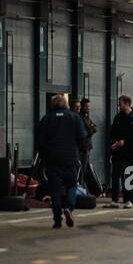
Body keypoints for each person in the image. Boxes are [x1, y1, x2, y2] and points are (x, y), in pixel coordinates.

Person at [36, 94, 87, 229]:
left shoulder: (47, 119)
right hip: (70, 158)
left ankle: (57, 219)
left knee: (55, 191)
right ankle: (69, 207)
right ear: (66, 104)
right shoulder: (75, 117)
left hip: (53, 160)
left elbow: (40, 141)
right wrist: (80, 152)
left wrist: (44, 157)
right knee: (72, 185)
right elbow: (83, 137)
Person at [108, 94, 133, 206]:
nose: (119, 106)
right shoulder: (118, 117)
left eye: (120, 104)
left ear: (127, 104)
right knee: (115, 175)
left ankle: (129, 199)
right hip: (118, 151)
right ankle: (114, 199)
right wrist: (114, 143)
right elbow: (113, 132)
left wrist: (125, 141)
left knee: (129, 174)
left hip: (130, 151)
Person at [77, 97, 101, 197]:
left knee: (84, 168)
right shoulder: (81, 117)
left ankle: (82, 188)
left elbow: (94, 127)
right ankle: (81, 189)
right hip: (83, 147)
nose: (88, 108)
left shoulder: (86, 117)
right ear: (82, 106)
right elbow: (89, 130)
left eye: (89, 106)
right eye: (87, 106)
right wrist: (90, 130)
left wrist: (90, 129)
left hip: (86, 146)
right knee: (82, 169)